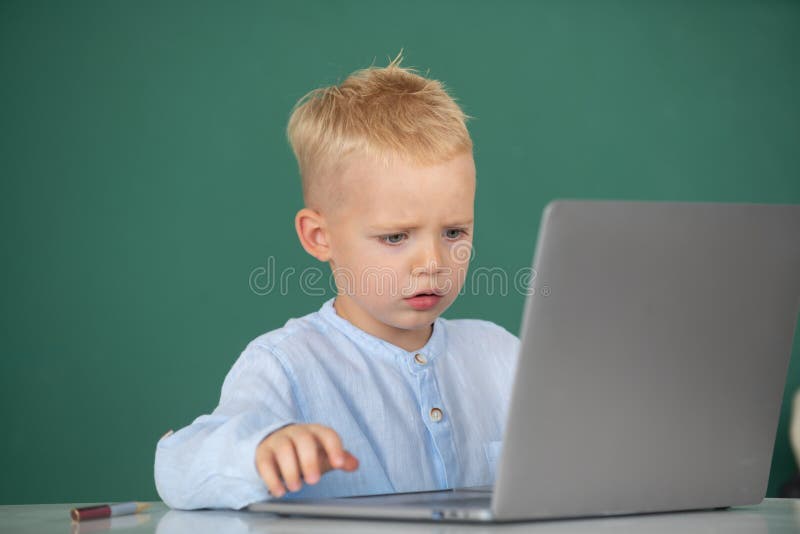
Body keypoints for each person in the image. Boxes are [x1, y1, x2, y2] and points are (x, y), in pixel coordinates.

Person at [154, 52, 519, 510]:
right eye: (395, 236)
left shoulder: (501, 356)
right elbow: (178, 466)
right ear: (320, 237)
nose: (432, 262)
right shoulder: (286, 364)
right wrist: (260, 448)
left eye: (454, 232)